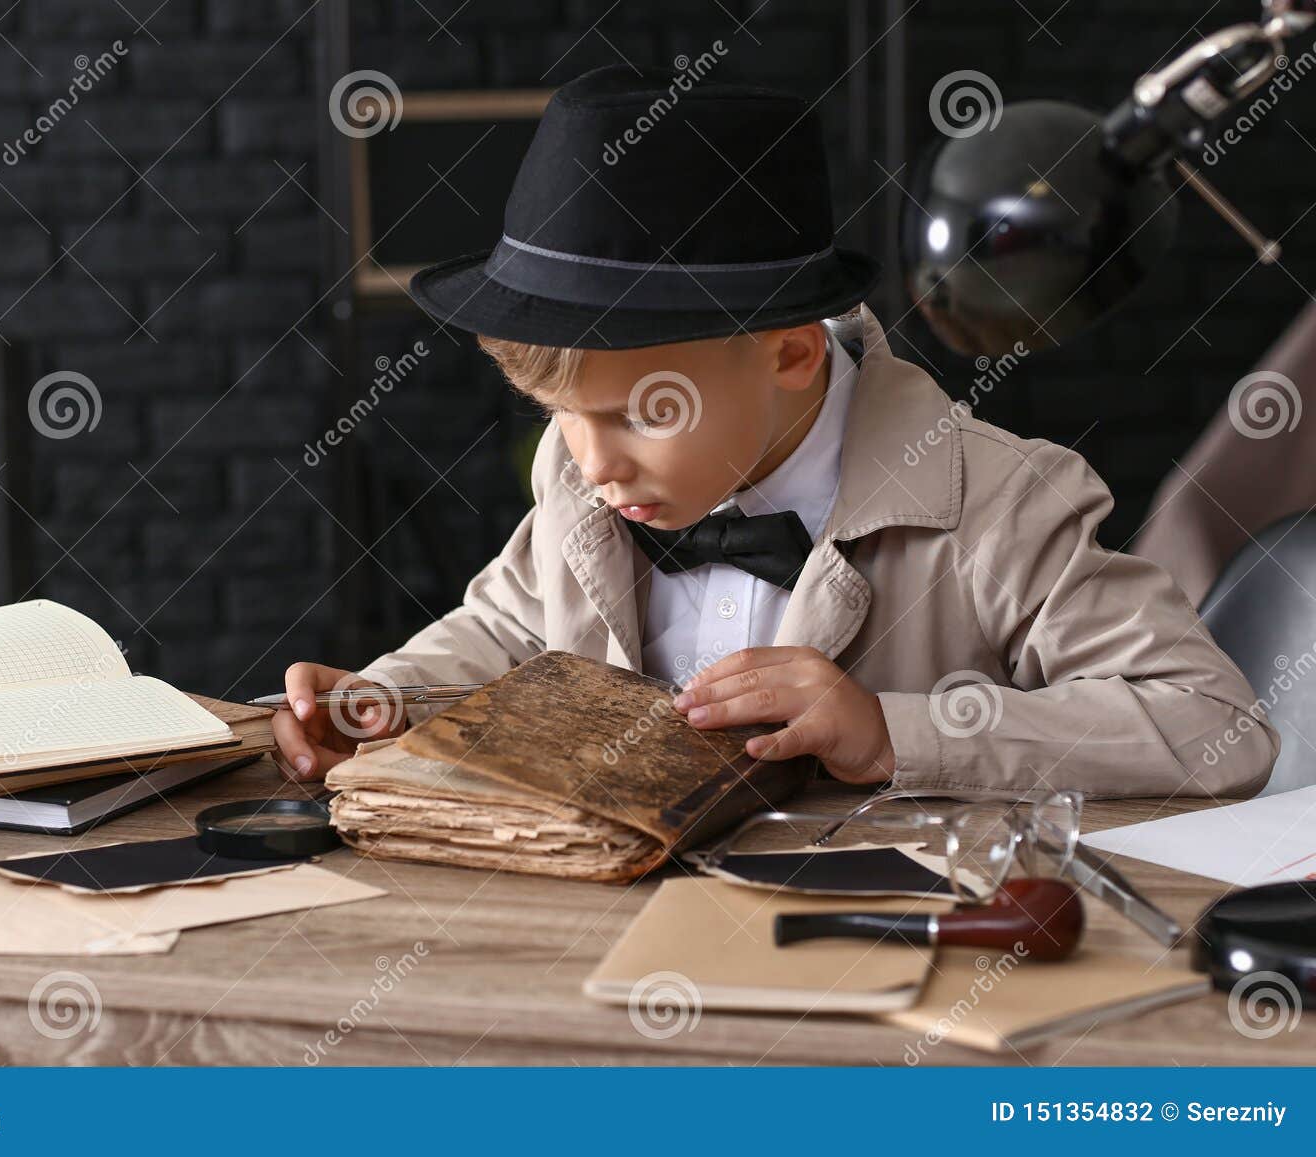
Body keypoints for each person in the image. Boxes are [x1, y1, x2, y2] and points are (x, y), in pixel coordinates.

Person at [273, 64, 1278, 799]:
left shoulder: (998, 501)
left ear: (791, 355)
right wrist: (381, 699)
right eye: (562, 418)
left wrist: (894, 728)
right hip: (594, 954)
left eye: (641, 411)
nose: (592, 459)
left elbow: (1216, 726)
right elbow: (506, 628)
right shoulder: (584, 472)